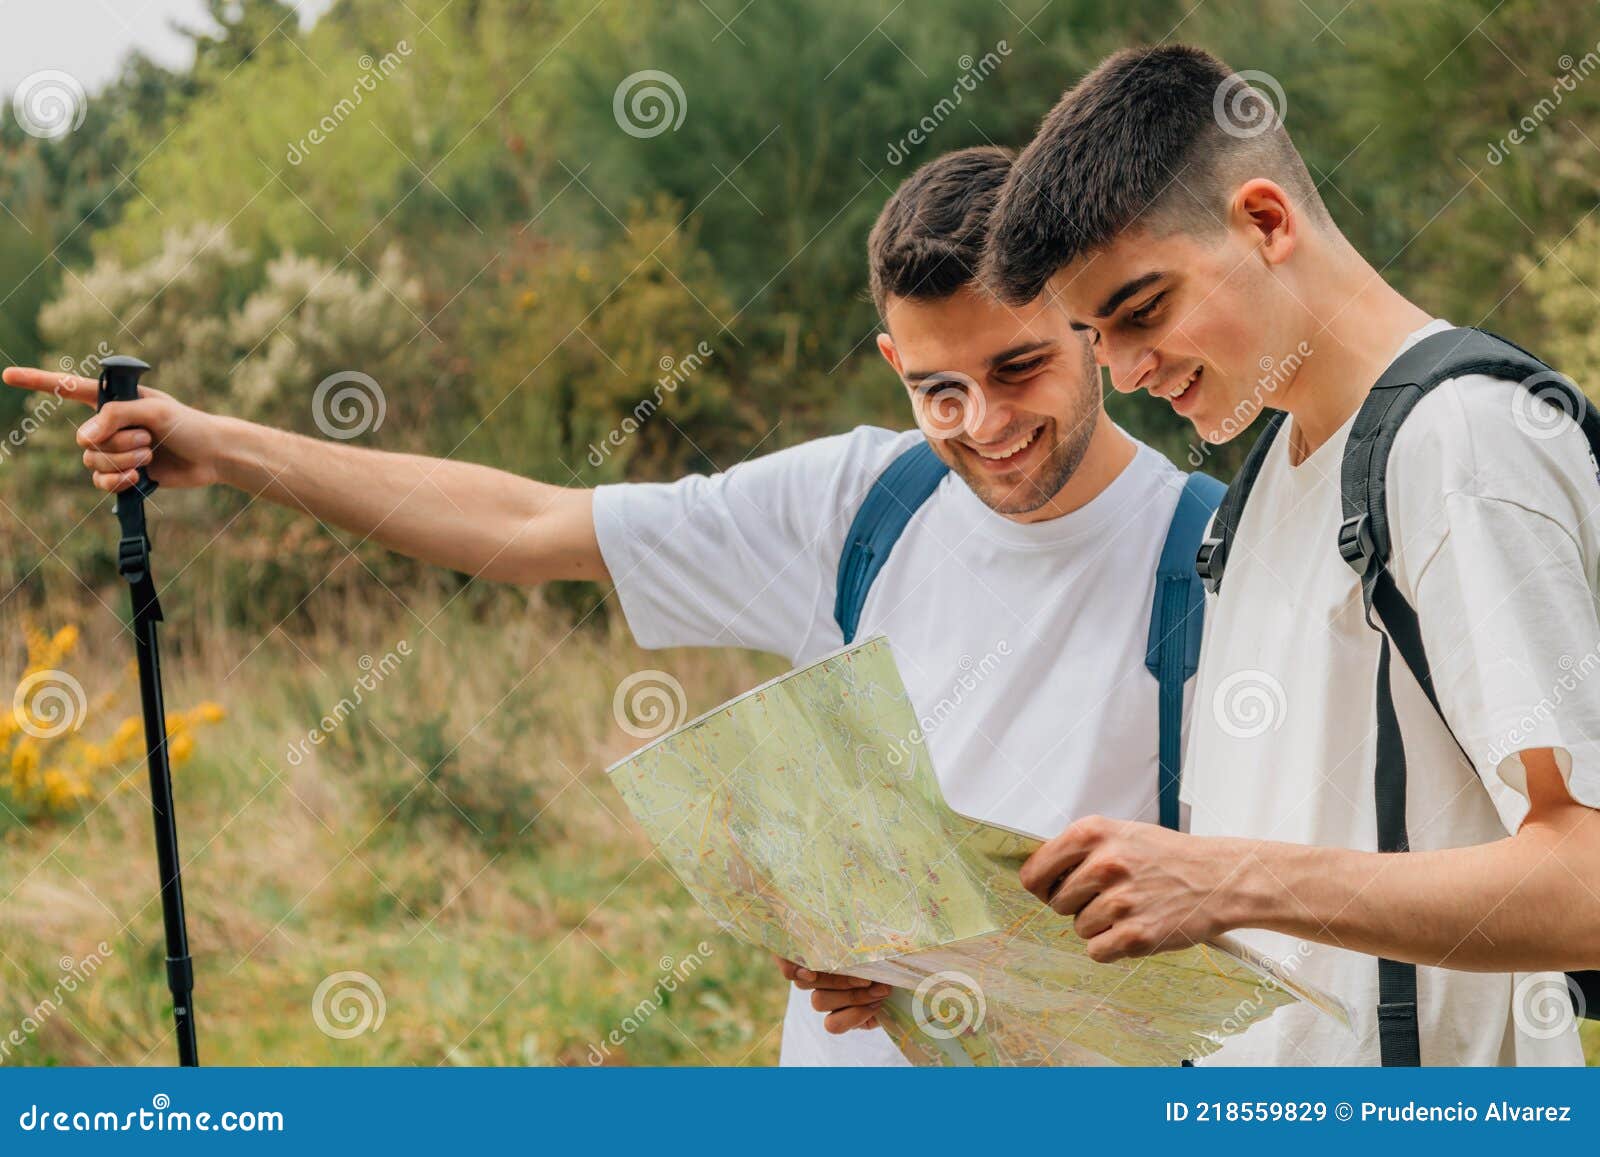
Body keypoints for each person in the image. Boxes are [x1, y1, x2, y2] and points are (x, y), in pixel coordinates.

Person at [8, 146, 1206, 1067]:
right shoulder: (860, 497)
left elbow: (1264, 931)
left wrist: (983, 979)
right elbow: (525, 528)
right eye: (939, 388)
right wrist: (220, 447)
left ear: (1090, 328)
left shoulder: (1208, 550)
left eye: (1018, 370)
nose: (983, 426)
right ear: (892, 362)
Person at [986, 44, 1600, 1065]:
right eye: (1096, 335)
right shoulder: (1267, 469)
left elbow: (1585, 881)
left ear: (1265, 221)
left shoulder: (1464, 441)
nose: (1128, 371)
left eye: (1142, 311)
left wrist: (1228, 877)